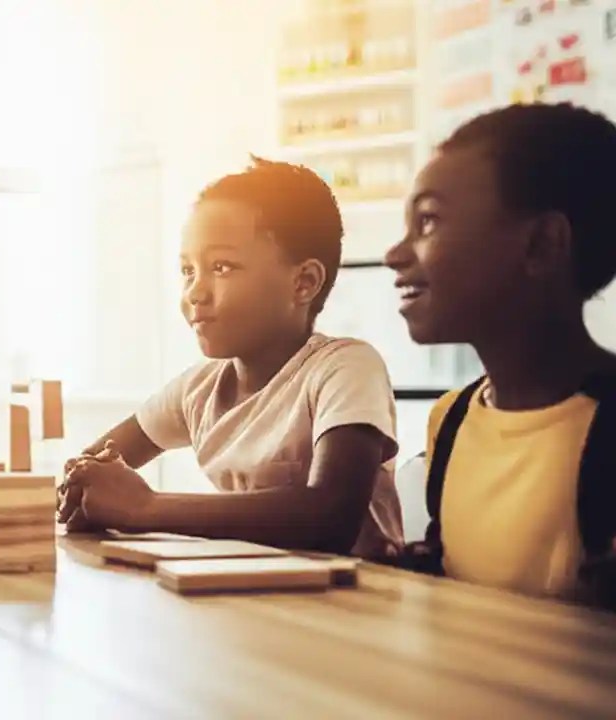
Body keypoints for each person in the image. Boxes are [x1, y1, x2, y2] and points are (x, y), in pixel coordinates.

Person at [58, 157, 403, 557]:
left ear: (303, 282)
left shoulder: (345, 368)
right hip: (257, 598)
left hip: (359, 606)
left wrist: (145, 507)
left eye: (221, 267)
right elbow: (93, 467)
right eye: (188, 271)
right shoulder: (198, 390)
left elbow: (330, 518)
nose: (195, 293)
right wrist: (84, 492)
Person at [384, 102, 616, 607]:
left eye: (428, 222)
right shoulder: (452, 421)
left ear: (541, 245)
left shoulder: (606, 430)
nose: (394, 255)